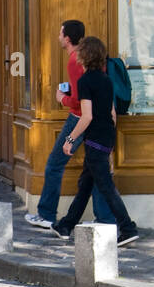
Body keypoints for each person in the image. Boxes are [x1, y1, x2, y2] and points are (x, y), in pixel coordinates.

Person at [51, 36, 139, 246]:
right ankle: (66, 225)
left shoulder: (85, 82)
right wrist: (111, 145)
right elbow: (112, 112)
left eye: (80, 51)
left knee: (106, 186)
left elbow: (87, 116)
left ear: (84, 55)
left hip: (94, 139)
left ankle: (127, 228)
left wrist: (70, 139)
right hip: (106, 135)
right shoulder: (106, 79)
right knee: (85, 184)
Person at [25, 20, 113, 229]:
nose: (58, 37)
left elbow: (79, 101)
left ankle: (46, 214)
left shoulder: (74, 60)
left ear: (67, 38)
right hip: (100, 120)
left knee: (55, 163)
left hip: (79, 118)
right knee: (97, 170)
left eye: (60, 33)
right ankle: (105, 219)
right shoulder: (94, 58)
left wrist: (61, 99)